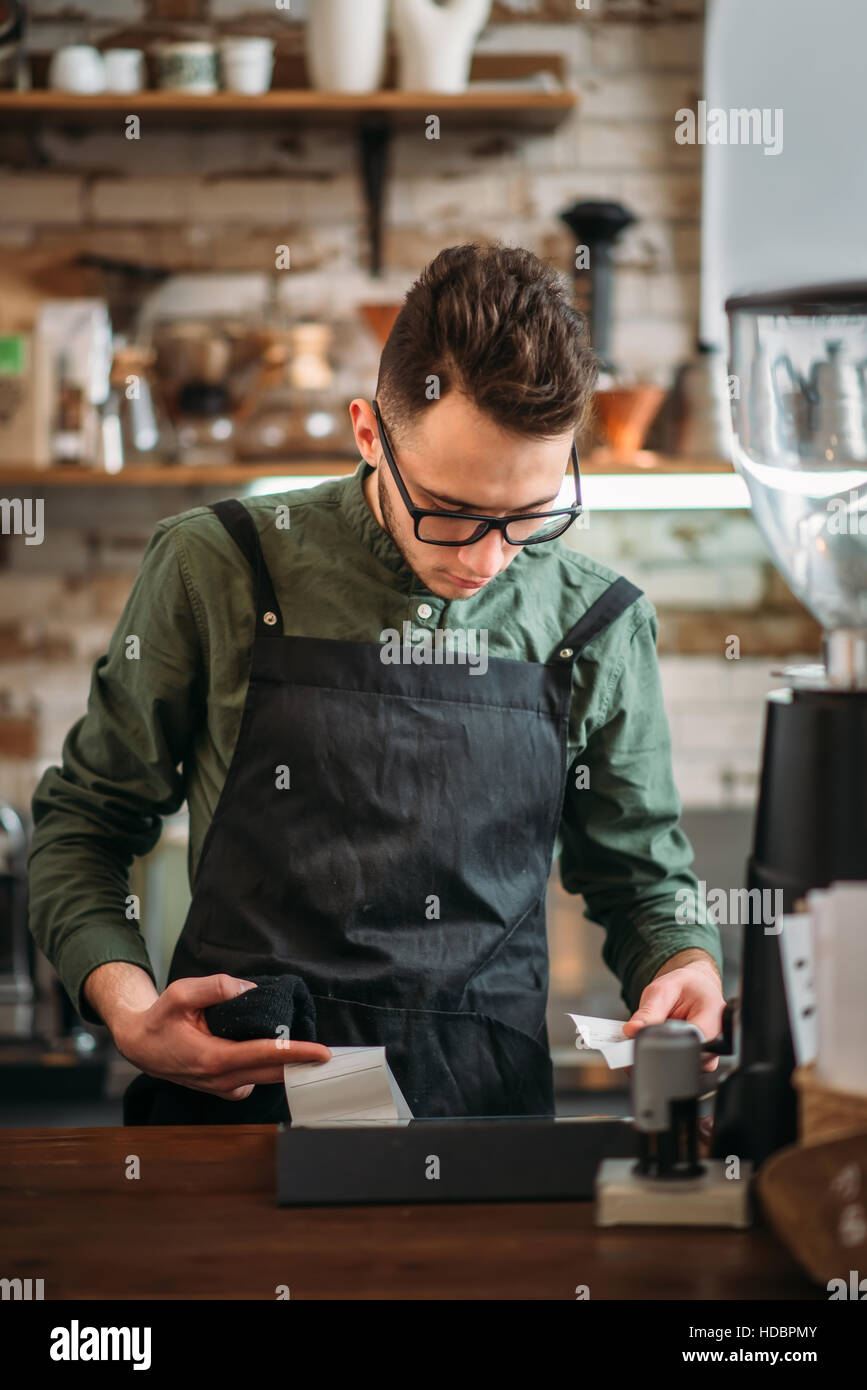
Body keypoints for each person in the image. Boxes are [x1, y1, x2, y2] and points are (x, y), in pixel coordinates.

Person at [28, 243, 724, 1125]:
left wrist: (685, 967)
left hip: (485, 1127)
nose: (484, 558)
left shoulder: (597, 623)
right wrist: (130, 1011)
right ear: (369, 434)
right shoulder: (218, 565)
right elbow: (85, 824)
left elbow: (640, 880)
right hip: (238, 1113)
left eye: (529, 517)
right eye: (450, 513)